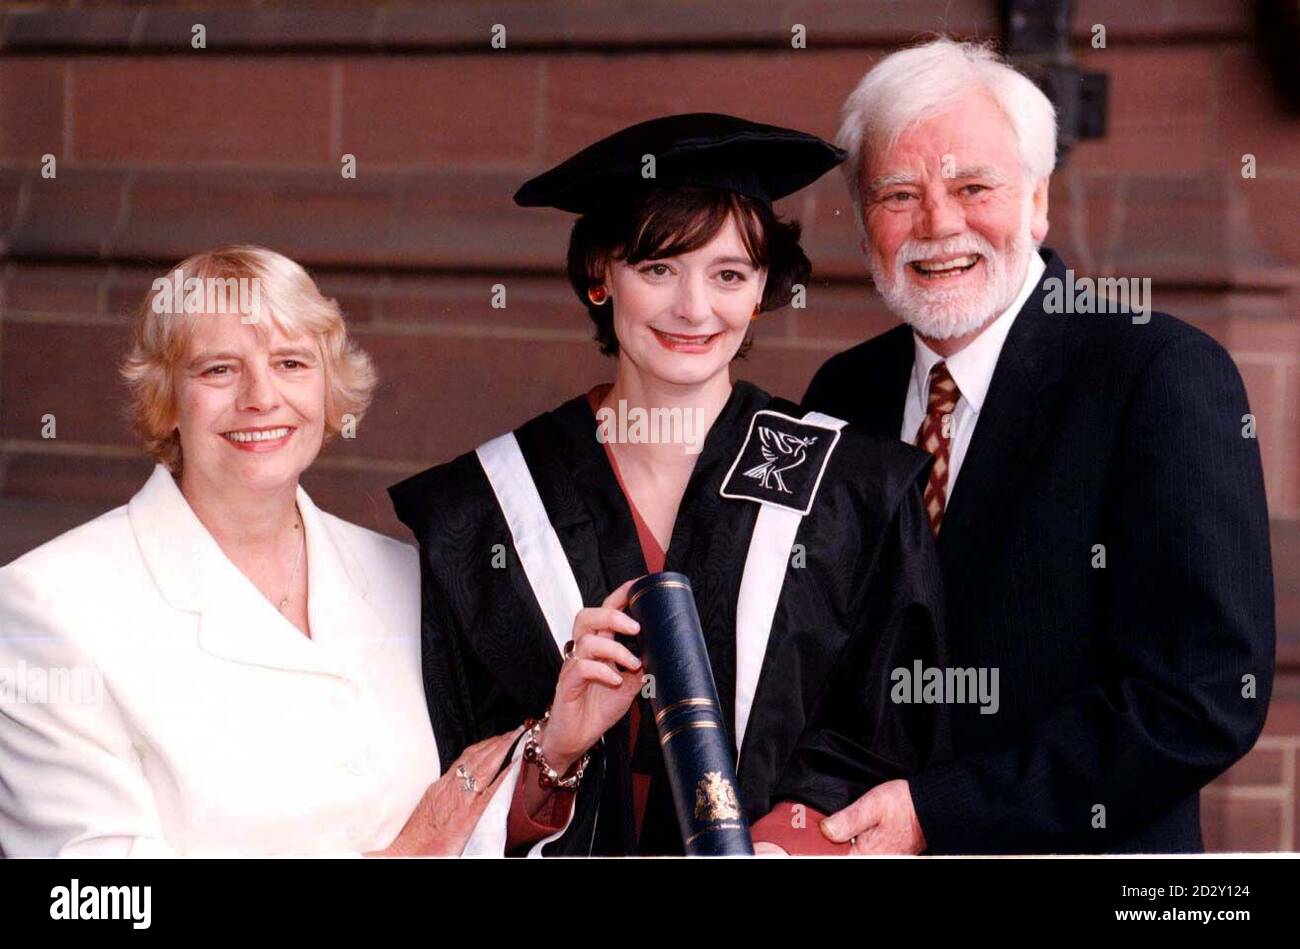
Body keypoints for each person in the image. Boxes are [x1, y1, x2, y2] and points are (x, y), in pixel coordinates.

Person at [389, 113, 948, 856]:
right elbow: (449, 766)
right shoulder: (483, 510)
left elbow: (887, 739)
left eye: (729, 274)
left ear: (761, 291)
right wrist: (552, 753)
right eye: (658, 268)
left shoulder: (854, 491)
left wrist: (784, 842)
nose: (694, 308)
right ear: (600, 275)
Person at [802, 38, 1275, 854]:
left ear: (1037, 200)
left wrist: (938, 812)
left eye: (973, 187)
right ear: (864, 220)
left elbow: (1203, 697)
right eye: (899, 194)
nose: (938, 224)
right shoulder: (841, 395)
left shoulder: (1157, 374)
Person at [0, 245, 627, 856]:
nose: (260, 397)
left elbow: (463, 824)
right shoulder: (49, 607)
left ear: (329, 388)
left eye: (291, 363)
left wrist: (556, 747)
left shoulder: (405, 575)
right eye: (218, 369)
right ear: (165, 399)